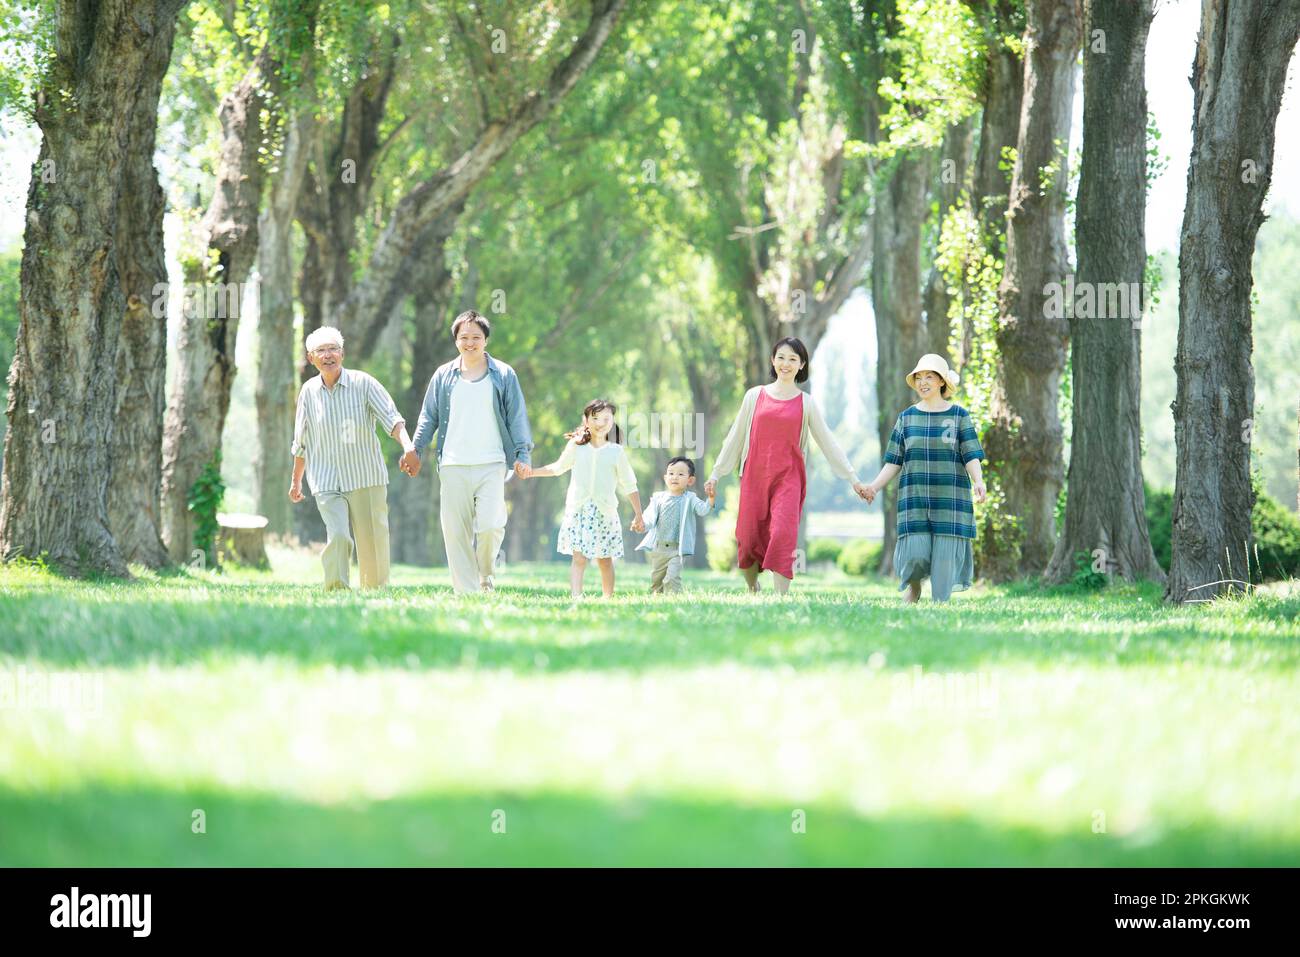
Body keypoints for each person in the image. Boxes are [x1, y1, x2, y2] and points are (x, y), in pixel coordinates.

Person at [706, 337, 870, 594]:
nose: (786, 363)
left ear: (801, 364)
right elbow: (735, 436)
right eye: (781, 357)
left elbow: (829, 443)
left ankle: (781, 597)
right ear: (773, 360)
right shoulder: (754, 396)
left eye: (793, 359)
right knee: (747, 539)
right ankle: (753, 587)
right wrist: (716, 473)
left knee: (783, 533)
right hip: (755, 476)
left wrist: (854, 479)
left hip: (789, 479)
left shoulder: (806, 403)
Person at [405, 310, 533, 594]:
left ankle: (485, 573)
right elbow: (429, 416)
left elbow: (517, 417)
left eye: (476, 337)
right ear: (456, 341)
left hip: (492, 462)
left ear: (486, 340)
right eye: (464, 337)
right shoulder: (443, 375)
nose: (470, 342)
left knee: (489, 525)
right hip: (452, 464)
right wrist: (415, 448)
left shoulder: (503, 374)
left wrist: (523, 454)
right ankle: (466, 592)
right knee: (455, 533)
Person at [289, 326, 414, 590]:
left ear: (342, 354)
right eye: (320, 351)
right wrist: (296, 481)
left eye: (332, 349)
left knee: (372, 541)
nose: (327, 355)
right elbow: (301, 442)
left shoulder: (363, 383)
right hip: (324, 478)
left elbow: (392, 419)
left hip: (364, 474)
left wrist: (408, 447)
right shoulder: (308, 392)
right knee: (338, 535)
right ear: (311, 358)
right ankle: (336, 589)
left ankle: (374, 591)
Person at [863, 353, 987, 603]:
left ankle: (940, 605)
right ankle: (915, 586)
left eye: (929, 376)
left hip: (950, 499)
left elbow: (971, 453)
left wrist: (979, 481)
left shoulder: (959, 416)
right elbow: (894, 460)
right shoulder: (906, 418)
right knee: (915, 554)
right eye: (918, 377)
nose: (923, 382)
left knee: (944, 558)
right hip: (914, 499)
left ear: (941, 382)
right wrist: (874, 487)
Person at [527, 399, 645, 598]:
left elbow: (629, 484)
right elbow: (557, 468)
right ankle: (576, 597)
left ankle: (608, 598)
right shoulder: (576, 446)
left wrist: (638, 514)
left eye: (606, 418)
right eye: (595, 417)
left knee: (604, 560)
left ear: (613, 421)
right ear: (586, 419)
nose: (600, 422)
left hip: (604, 511)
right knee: (579, 558)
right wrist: (531, 472)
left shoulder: (616, 451)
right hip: (579, 509)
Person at [635, 456, 714, 594]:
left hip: (677, 549)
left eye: (680, 474)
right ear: (665, 478)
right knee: (656, 580)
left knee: (672, 577)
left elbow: (703, 510)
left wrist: (711, 498)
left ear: (690, 480)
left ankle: (675, 599)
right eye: (671, 473)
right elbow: (649, 518)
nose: (675, 477)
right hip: (659, 548)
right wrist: (642, 525)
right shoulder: (658, 498)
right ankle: (657, 601)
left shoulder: (690, 498)